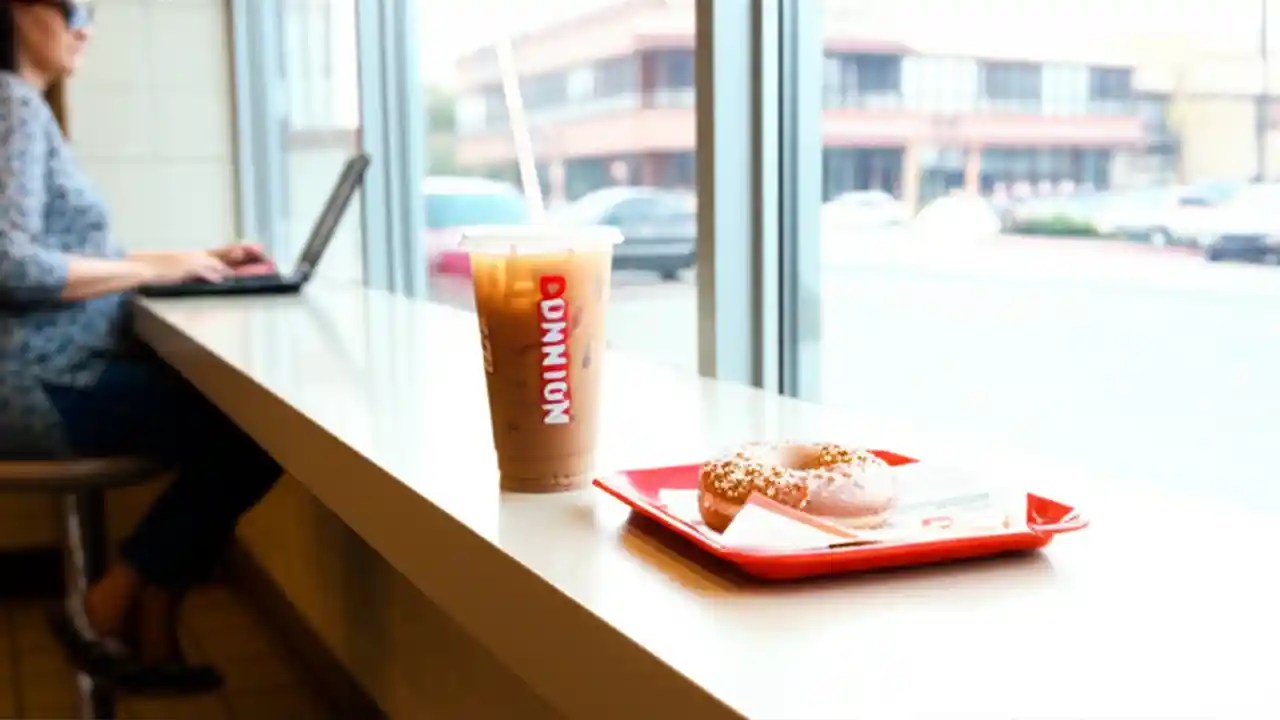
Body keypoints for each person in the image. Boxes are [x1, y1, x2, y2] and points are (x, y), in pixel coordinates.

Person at [0, 0, 281, 693]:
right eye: (74, 8)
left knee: (235, 423)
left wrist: (192, 257)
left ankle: (152, 629)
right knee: (258, 427)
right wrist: (152, 270)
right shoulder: (12, 105)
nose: (86, 25)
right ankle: (113, 601)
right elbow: (9, 263)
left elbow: (68, 255)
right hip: (43, 383)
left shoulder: (23, 107)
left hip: (49, 372)